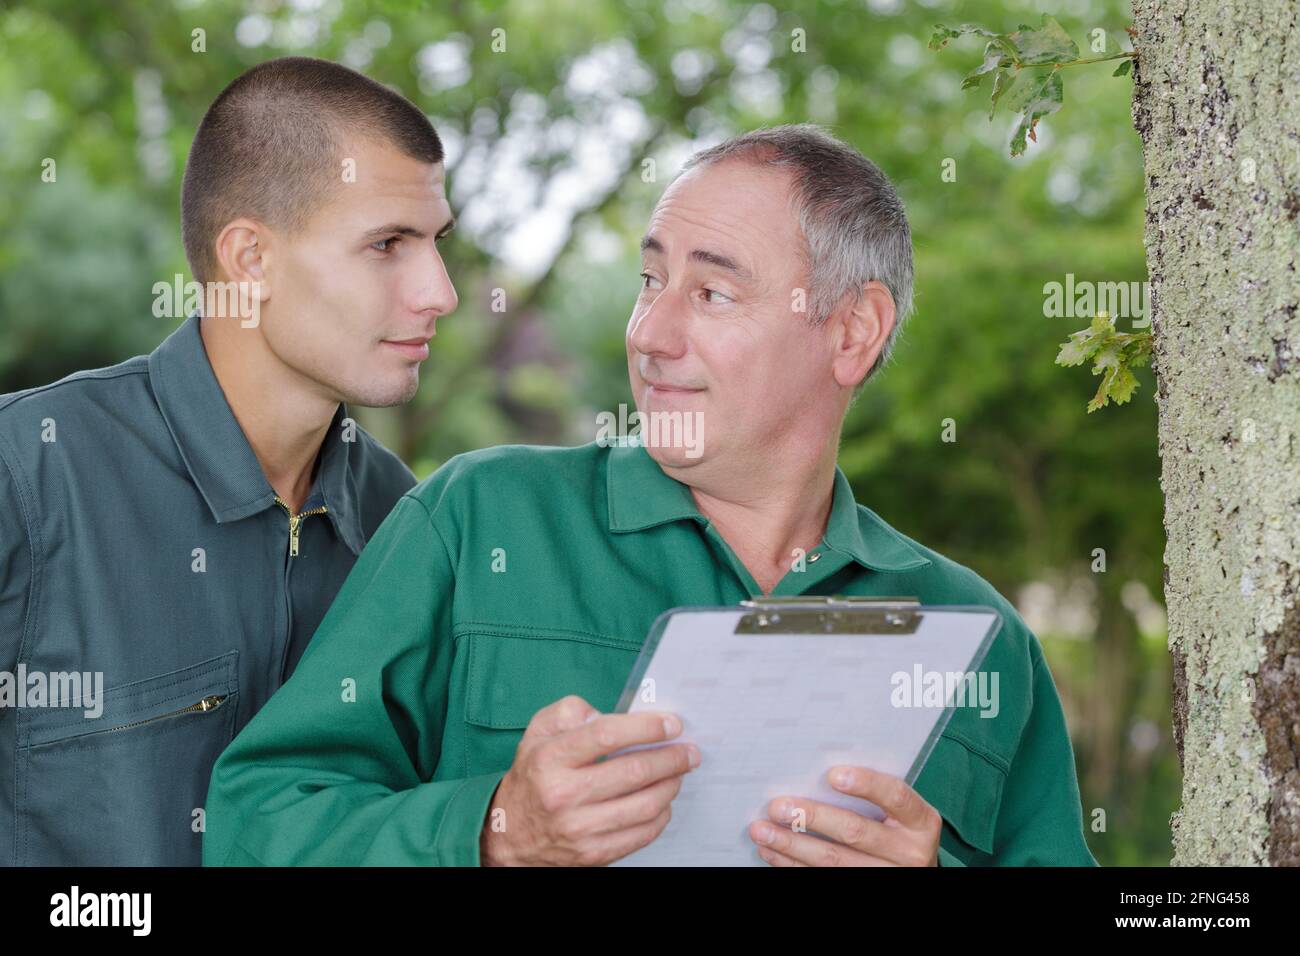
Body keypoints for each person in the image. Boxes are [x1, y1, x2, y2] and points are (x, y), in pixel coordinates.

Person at [203, 125, 1096, 867]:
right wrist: (493, 830)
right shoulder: (481, 520)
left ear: (852, 333)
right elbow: (254, 827)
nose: (649, 334)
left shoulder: (978, 640)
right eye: (650, 281)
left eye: (711, 291)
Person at [0, 56, 457, 866]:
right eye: (388, 243)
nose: (441, 292)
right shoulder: (28, 474)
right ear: (250, 260)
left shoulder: (406, 519)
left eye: (435, 242)